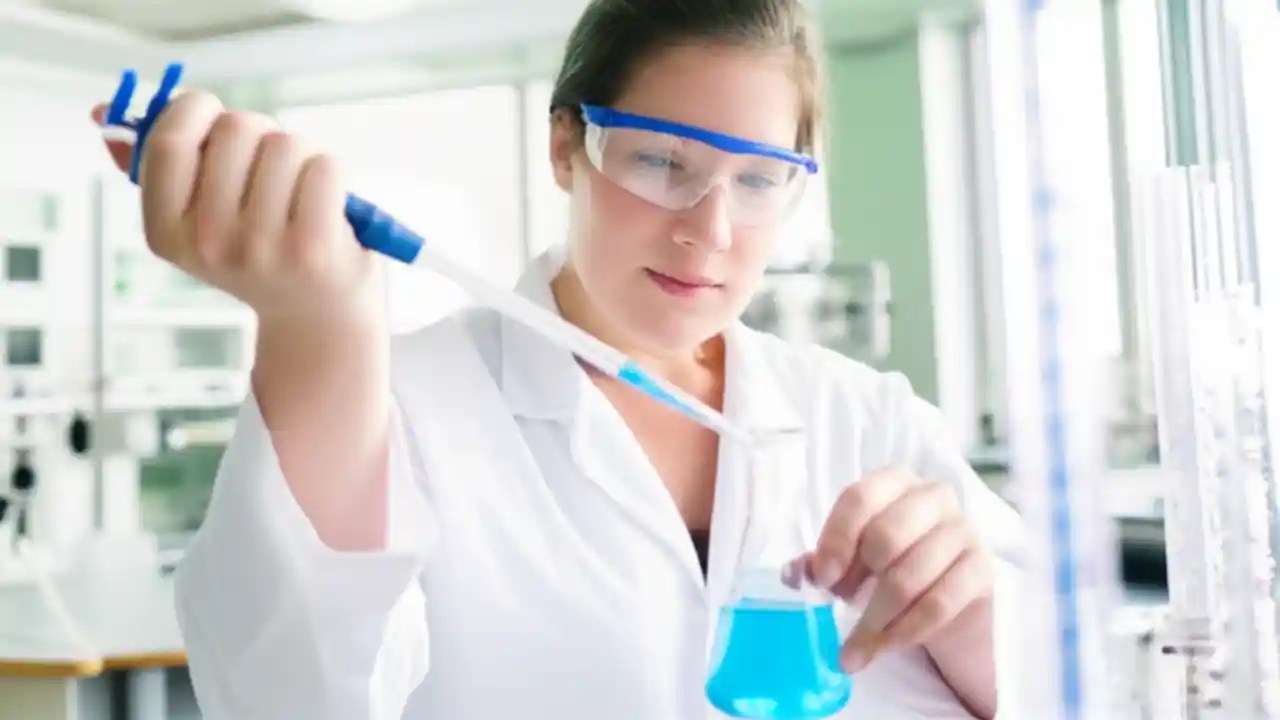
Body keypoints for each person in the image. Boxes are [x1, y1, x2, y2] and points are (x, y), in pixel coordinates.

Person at [95, 0, 1025, 717]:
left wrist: (980, 622)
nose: (709, 230)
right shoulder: (406, 407)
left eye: (756, 180)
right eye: (662, 162)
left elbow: (1085, 683)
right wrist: (317, 330)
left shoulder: (865, 418)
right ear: (566, 146)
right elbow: (286, 698)